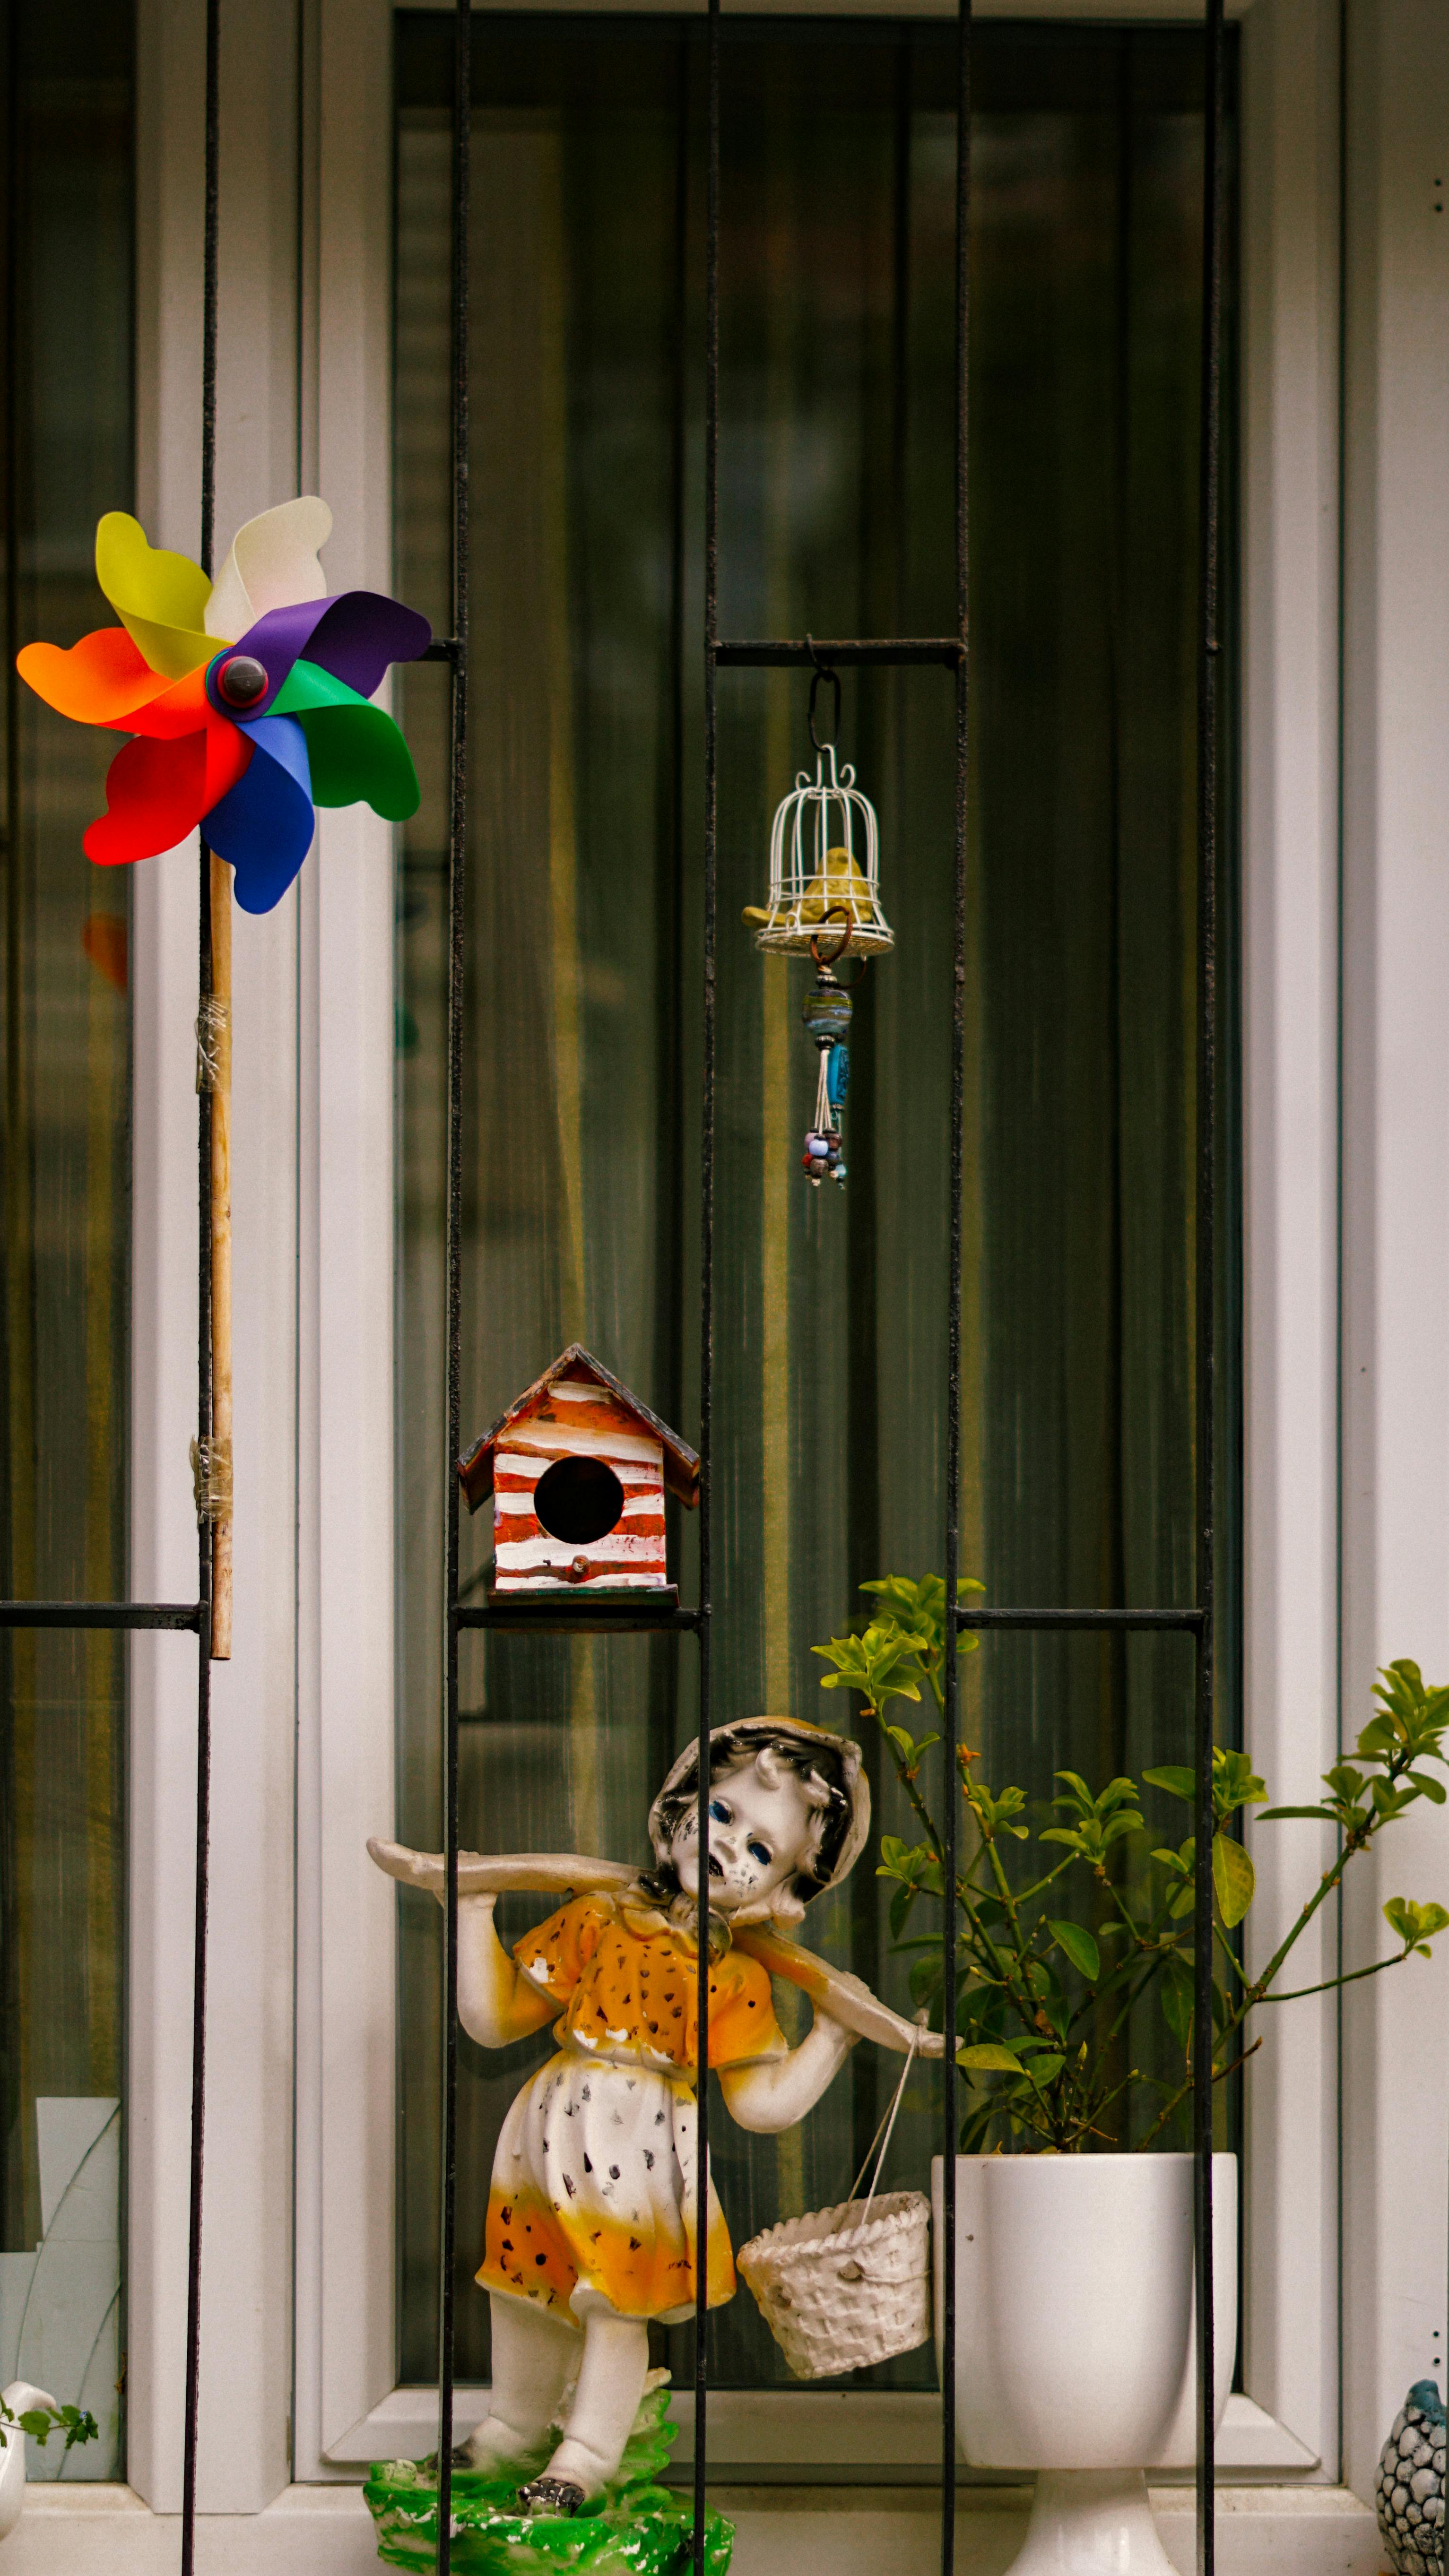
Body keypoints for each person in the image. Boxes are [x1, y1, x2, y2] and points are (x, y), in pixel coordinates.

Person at [376, 1717, 890, 2516]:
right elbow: (494, 2020)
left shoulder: (733, 1979)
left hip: (645, 2149)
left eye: (761, 1852)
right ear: (682, 1805)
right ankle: (511, 2428)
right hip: (548, 2132)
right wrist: (471, 1910)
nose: (729, 1850)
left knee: (612, 2302)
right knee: (519, 2283)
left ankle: (586, 2455)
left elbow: (757, 2107)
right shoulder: (595, 1920)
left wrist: (832, 2034)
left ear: (785, 1891)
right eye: (722, 1817)